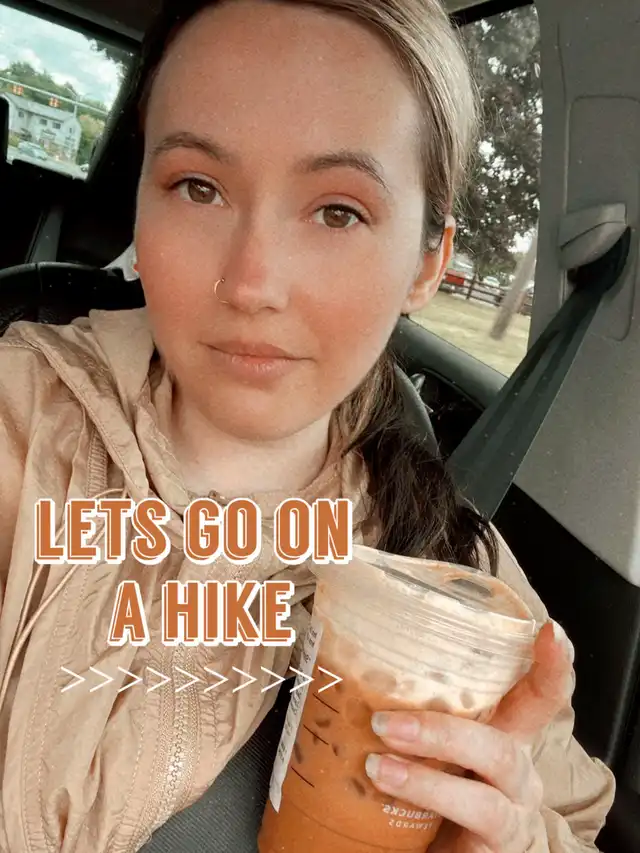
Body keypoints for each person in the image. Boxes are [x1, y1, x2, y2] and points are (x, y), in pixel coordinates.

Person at [0, 0, 614, 850]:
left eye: (338, 212)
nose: (253, 282)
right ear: (140, 203)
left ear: (428, 263)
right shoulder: (20, 412)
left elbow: (571, 821)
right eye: (198, 187)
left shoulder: (458, 576)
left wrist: (511, 837)